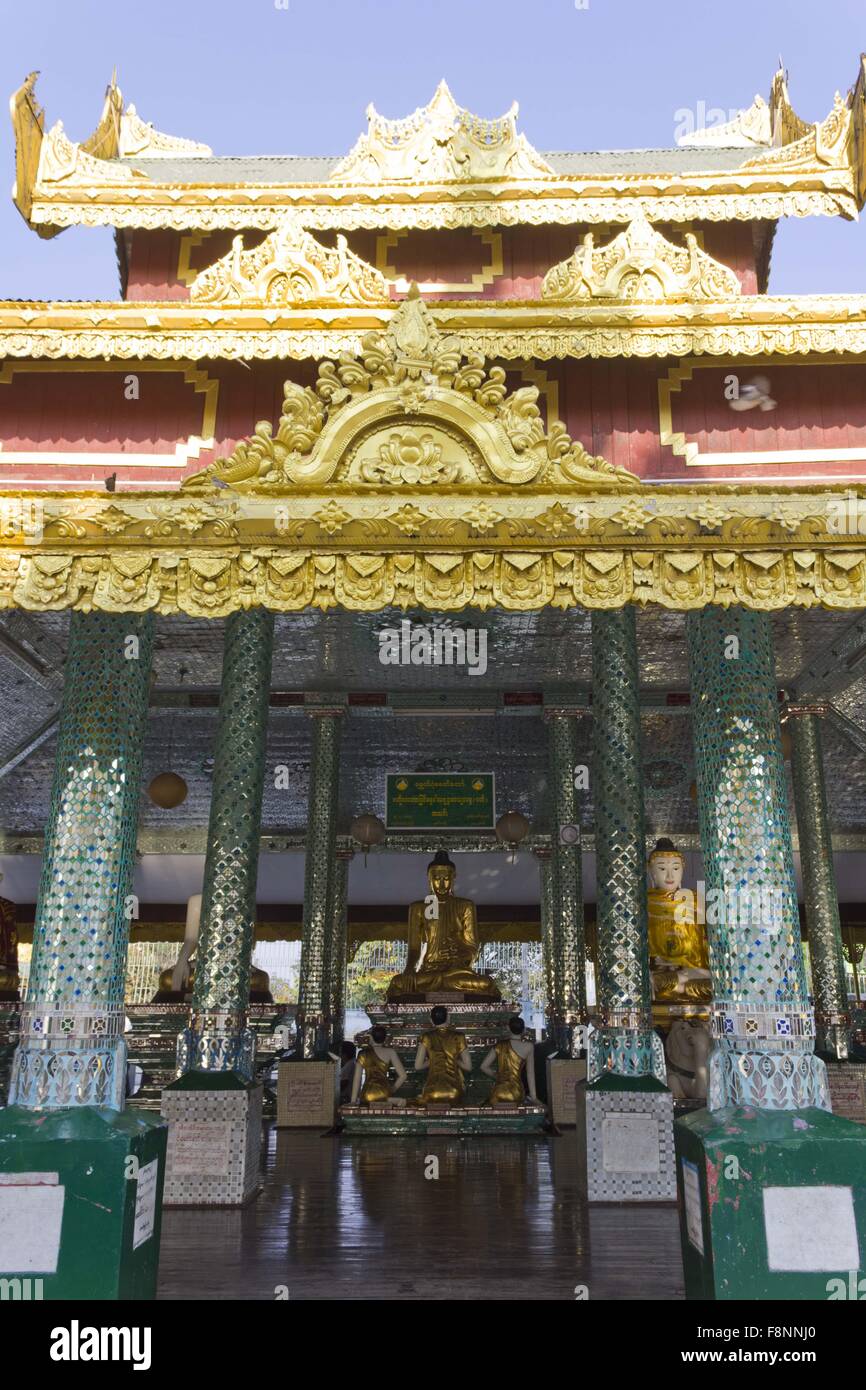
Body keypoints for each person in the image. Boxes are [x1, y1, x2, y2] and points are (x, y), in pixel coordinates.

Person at [480, 1016, 538, 1105]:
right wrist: (534, 1097)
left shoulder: (499, 1045)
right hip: (516, 1091)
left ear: (508, 1028)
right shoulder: (529, 1047)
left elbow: (483, 1067)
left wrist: (497, 1076)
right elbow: (530, 1073)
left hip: (498, 1091)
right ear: (523, 1030)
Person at [351, 1025, 408, 1105]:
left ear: (370, 1038)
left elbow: (357, 1078)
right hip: (384, 1092)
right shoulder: (390, 1052)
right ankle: (392, 1100)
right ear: (385, 1038)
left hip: (368, 1093)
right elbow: (403, 1076)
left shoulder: (363, 1053)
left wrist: (353, 1101)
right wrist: (392, 1089)